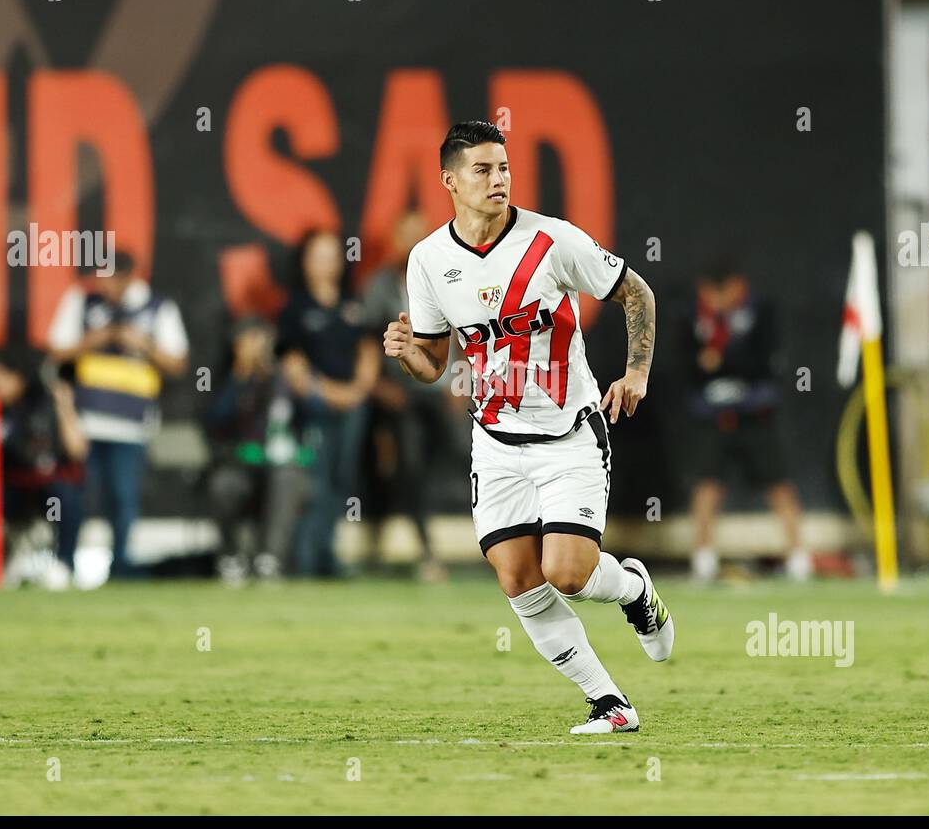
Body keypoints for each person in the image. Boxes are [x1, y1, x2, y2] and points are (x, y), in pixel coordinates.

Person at [383, 120, 672, 735]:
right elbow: (434, 364)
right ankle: (610, 705)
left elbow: (635, 292)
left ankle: (634, 592)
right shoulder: (430, 259)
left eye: (504, 168)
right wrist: (407, 352)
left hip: (569, 432)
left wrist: (637, 372)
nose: (498, 180)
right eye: (483, 170)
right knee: (519, 578)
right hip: (495, 444)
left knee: (568, 573)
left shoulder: (552, 240)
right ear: (450, 181)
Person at [46, 253, 189, 580]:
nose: (102, 284)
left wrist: (143, 344)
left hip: (131, 424)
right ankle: (64, 565)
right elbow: (56, 351)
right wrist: (93, 341)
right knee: (74, 496)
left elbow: (178, 364)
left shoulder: (157, 307)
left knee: (123, 500)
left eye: (109, 278)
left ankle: (120, 568)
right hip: (84, 423)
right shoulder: (81, 300)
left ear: (127, 277)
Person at [685, 263, 810, 581]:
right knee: (708, 485)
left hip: (755, 416)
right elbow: (688, 364)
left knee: (778, 484)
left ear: (737, 287)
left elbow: (766, 362)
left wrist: (723, 360)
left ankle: (798, 555)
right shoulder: (697, 319)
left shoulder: (760, 313)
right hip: (715, 418)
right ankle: (703, 556)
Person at [276, 230, 379, 577]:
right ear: (304, 262)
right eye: (318, 255)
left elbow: (368, 351)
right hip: (315, 409)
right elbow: (294, 368)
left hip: (354, 407)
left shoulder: (352, 304)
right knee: (314, 483)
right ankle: (304, 561)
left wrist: (358, 391)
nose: (326, 263)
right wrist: (331, 394)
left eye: (332, 255)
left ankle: (328, 555)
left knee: (341, 481)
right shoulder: (295, 309)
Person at [362, 210, 452, 582]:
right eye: (406, 237)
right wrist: (380, 388)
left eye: (420, 236)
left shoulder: (444, 282)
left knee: (474, 451)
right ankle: (426, 550)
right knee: (410, 462)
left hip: (440, 393)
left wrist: (458, 385)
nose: (414, 245)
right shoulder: (379, 288)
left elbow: (462, 339)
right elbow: (366, 345)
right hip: (400, 396)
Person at [0, 355, 87, 587]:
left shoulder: (47, 403)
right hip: (13, 488)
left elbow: (77, 450)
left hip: (48, 487)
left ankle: (63, 563)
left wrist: (65, 407)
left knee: (65, 498)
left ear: (16, 377)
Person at [204, 317, 293, 585]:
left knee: (288, 480)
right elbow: (215, 421)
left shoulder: (281, 377)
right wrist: (240, 376)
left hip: (277, 464)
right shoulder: (222, 376)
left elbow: (300, 415)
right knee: (223, 485)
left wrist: (291, 380)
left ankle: (270, 559)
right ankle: (231, 557)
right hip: (237, 463)